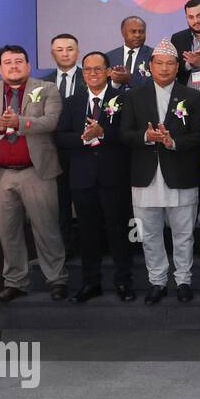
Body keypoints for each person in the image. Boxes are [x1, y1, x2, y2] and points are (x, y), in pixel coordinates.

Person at [0, 45, 69, 303]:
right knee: (8, 232)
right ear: (0, 68)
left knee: (47, 229)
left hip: (38, 172)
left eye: (19, 61)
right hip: (0, 174)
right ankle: (15, 282)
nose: (13, 66)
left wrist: (20, 123)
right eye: (8, 62)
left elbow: (50, 122)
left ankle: (57, 279)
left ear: (28, 65)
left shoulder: (46, 89)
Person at [120, 38, 200, 304]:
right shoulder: (134, 96)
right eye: (160, 63)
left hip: (180, 174)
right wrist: (146, 137)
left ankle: (183, 280)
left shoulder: (192, 96)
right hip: (145, 176)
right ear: (150, 65)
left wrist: (173, 142)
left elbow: (198, 136)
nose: (165, 69)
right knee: (149, 234)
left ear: (178, 66)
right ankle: (157, 281)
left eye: (171, 64)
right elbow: (124, 135)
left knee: (183, 234)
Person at [53, 51, 134, 302]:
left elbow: (126, 135)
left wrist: (102, 133)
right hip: (82, 179)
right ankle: (91, 283)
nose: (93, 73)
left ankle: (124, 282)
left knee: (118, 231)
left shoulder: (123, 99)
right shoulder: (71, 101)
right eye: (88, 69)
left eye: (98, 69)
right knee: (88, 234)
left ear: (109, 71)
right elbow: (59, 137)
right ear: (83, 73)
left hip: (113, 177)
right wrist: (83, 137)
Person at [41, 33, 83, 254]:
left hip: (83, 152)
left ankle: (88, 249)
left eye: (70, 49)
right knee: (59, 204)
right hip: (52, 152)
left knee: (85, 203)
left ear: (77, 52)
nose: (65, 53)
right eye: (60, 49)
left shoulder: (90, 79)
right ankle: (63, 250)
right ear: (52, 53)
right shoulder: (41, 83)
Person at [105, 16, 153, 91]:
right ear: (123, 32)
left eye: (141, 31)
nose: (137, 35)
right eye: (133, 31)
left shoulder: (153, 55)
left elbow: (156, 84)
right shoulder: (109, 57)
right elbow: (103, 87)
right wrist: (115, 83)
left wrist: (130, 78)